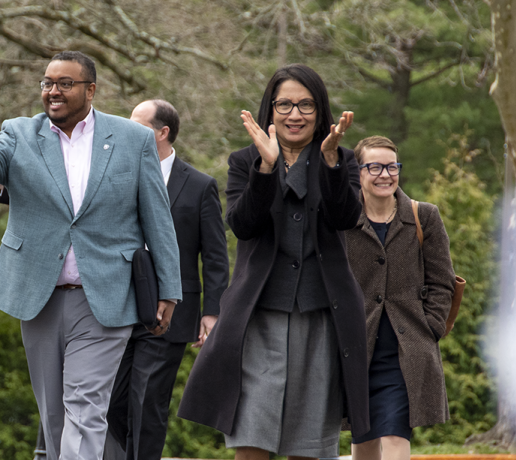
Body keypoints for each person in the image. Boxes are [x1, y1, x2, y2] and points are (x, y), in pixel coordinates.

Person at [0, 51, 181, 460]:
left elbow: (158, 219)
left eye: (65, 83)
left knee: (85, 409)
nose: (53, 91)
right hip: (39, 295)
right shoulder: (19, 133)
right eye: (47, 83)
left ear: (91, 90)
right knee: (54, 417)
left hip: (106, 296)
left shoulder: (133, 140)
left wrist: (169, 289)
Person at [178, 63, 369, 460]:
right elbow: (243, 225)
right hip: (258, 319)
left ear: (321, 112)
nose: (295, 115)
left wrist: (330, 163)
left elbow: (346, 219)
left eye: (306, 105)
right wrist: (266, 169)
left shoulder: (341, 160)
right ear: (270, 109)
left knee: (310, 442)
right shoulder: (245, 160)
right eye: (285, 104)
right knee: (251, 433)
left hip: (320, 316)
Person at [103, 99, 230, 460]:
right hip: (116, 305)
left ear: (163, 132)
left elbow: (216, 255)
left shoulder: (200, 185)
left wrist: (212, 312)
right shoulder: (114, 173)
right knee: (111, 403)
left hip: (172, 312)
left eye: (138, 125)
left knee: (147, 402)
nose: (128, 132)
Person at [346, 136, 455, 460]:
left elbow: (442, 281)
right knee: (363, 444)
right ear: (359, 173)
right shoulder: (342, 221)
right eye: (375, 166)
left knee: (394, 435)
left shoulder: (425, 216)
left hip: (403, 353)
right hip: (355, 350)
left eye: (392, 166)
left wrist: (430, 326)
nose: (385, 175)